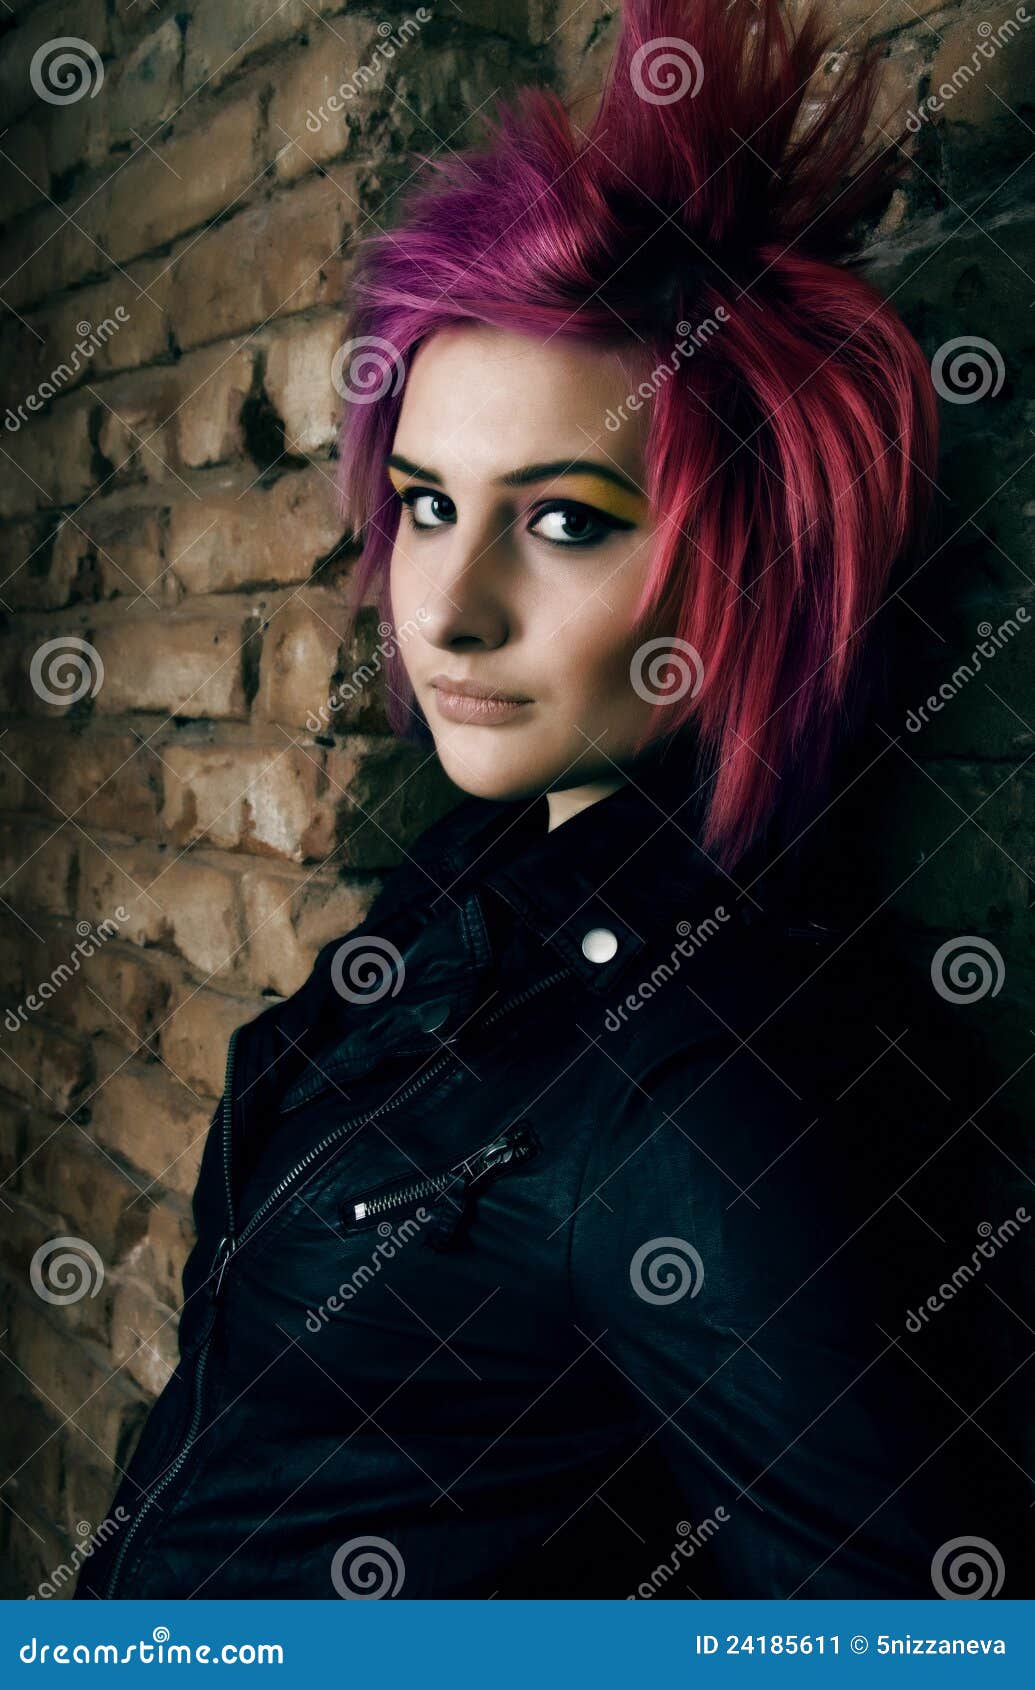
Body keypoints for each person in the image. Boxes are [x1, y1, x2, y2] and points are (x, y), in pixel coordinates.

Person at [77, 0, 1022, 1600]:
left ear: (746, 565)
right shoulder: (470, 892)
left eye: (569, 522)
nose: (445, 608)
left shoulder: (694, 1086)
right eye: (429, 504)